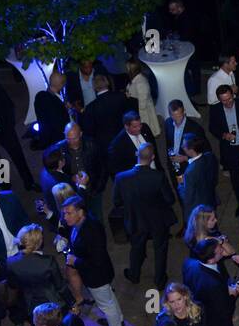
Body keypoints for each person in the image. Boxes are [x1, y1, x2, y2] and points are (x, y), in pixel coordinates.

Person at [113, 142, 177, 290]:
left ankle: (134, 275)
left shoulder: (121, 178)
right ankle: (159, 279)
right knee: (160, 249)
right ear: (153, 157)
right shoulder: (158, 176)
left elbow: (117, 202)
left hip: (135, 219)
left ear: (137, 154)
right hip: (157, 220)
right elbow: (170, 200)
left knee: (136, 247)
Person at [61, 196, 122, 326]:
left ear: (80, 212)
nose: (65, 217)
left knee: (107, 305)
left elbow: (97, 260)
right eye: (64, 213)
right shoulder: (79, 224)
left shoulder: (92, 230)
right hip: (96, 274)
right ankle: (118, 319)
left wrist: (75, 261)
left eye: (69, 213)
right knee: (109, 299)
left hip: (97, 276)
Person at [6, 224, 71, 326]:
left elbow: (13, 284)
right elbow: (60, 286)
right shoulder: (47, 262)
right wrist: (72, 303)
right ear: (39, 242)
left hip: (29, 304)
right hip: (51, 301)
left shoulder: (11, 262)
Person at [209, 84, 239, 216]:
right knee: (235, 178)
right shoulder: (215, 109)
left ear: (233, 95)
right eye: (224, 100)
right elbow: (212, 128)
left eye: (230, 98)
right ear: (219, 100)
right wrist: (224, 135)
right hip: (230, 149)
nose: (228, 102)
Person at [57, 121, 106, 222]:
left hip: (93, 188)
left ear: (81, 134)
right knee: (80, 219)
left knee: (97, 217)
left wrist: (98, 187)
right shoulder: (60, 149)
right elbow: (59, 172)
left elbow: (103, 167)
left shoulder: (92, 144)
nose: (71, 142)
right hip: (74, 192)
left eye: (75, 138)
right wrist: (71, 178)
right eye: (68, 138)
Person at [178, 133, 219, 221]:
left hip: (199, 209)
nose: (182, 147)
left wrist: (181, 184)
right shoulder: (210, 156)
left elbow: (187, 198)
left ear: (191, 150)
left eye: (184, 146)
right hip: (210, 200)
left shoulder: (189, 172)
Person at [124, 59, 161, 136]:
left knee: (147, 130)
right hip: (138, 108)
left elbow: (142, 103)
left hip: (143, 112)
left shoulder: (141, 82)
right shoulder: (135, 79)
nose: (126, 70)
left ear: (132, 70)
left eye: (127, 68)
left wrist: (137, 114)